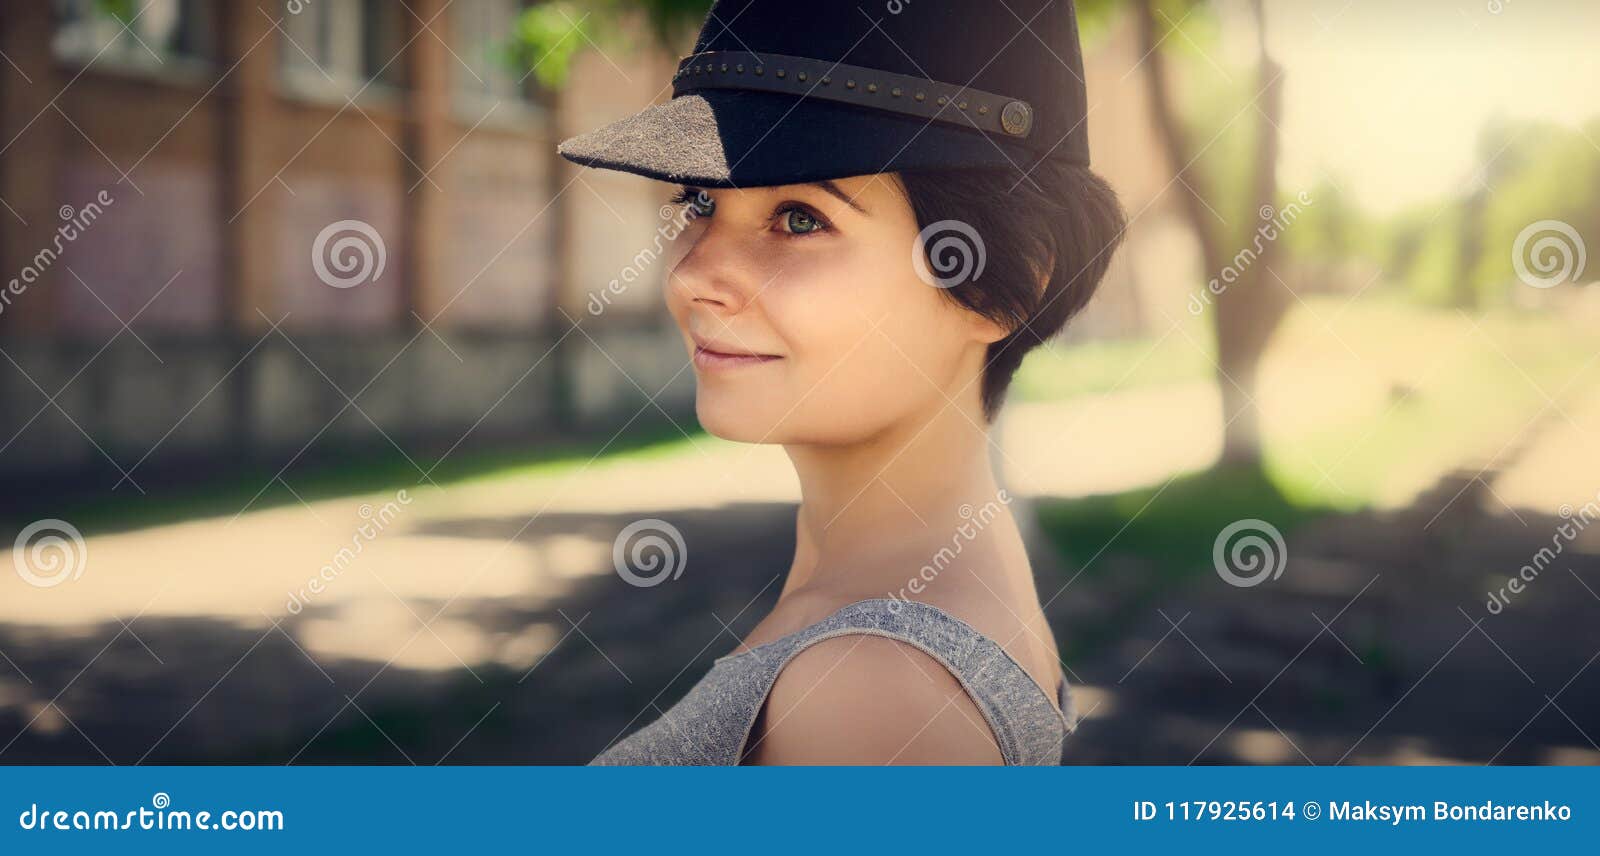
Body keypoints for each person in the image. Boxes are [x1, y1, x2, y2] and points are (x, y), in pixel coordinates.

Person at [560, 0, 1126, 765]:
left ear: (1007, 282)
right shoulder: (919, 614)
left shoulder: (874, 692)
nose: (695, 275)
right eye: (698, 203)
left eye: (798, 218)